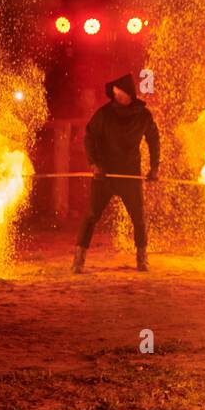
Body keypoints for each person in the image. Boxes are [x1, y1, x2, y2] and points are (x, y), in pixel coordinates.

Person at [73, 73, 159, 273]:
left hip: (130, 174)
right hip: (105, 174)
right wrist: (94, 164)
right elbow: (90, 138)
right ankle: (78, 259)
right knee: (92, 214)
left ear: (130, 95)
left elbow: (154, 139)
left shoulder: (143, 116)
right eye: (115, 95)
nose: (116, 97)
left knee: (138, 216)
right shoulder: (104, 114)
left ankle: (142, 258)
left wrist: (154, 167)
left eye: (120, 94)